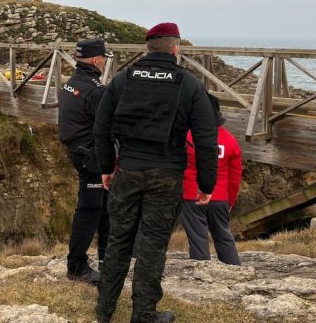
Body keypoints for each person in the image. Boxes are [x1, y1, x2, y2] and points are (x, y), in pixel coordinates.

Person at [93, 22, 219, 323]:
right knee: (152, 245)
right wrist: (206, 183)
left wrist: (107, 168)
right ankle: (144, 315)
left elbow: (102, 128)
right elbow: (206, 139)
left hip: (128, 170)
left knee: (118, 241)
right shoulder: (188, 84)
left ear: (147, 47)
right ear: (175, 49)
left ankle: (104, 312)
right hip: (166, 176)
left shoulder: (123, 79)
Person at [58, 38, 113, 285]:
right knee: (90, 208)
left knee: (103, 205)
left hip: (78, 150)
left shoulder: (73, 83)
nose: (104, 63)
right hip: (90, 155)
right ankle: (77, 265)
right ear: (96, 59)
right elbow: (111, 124)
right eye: (104, 58)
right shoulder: (94, 90)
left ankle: (106, 258)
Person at [182, 94, 243, 265]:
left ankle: (202, 273)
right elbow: (235, 176)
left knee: (198, 238)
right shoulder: (230, 140)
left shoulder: (187, 137)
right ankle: (235, 269)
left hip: (192, 194)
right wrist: (230, 200)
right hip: (221, 196)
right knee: (224, 236)